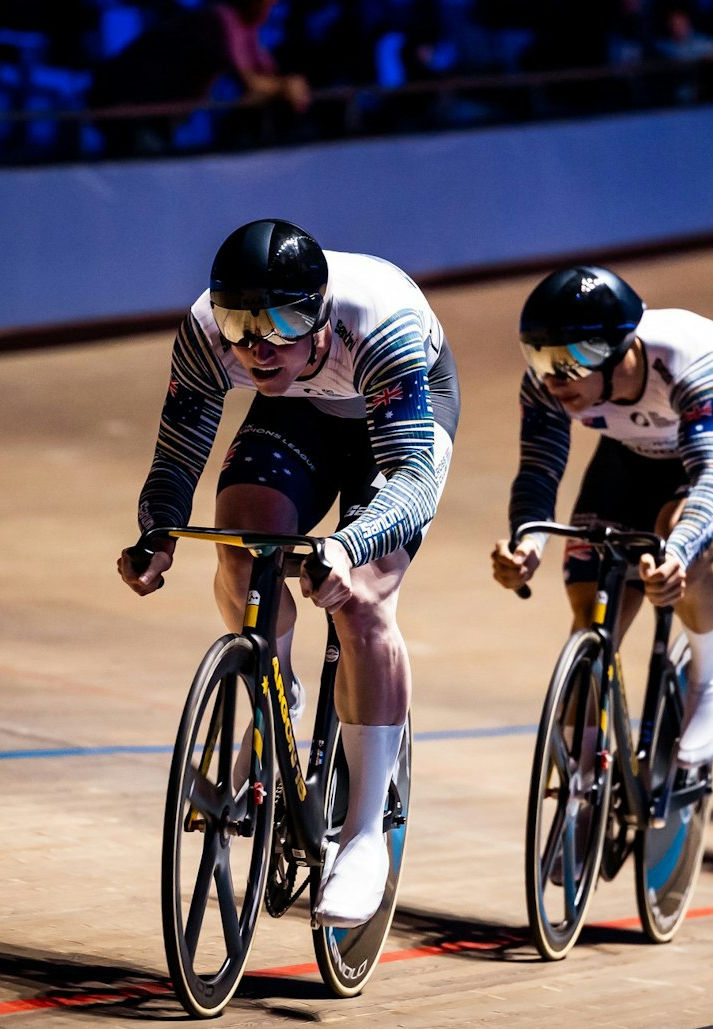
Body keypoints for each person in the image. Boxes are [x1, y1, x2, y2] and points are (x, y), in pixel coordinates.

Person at [117, 219, 458, 926]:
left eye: (279, 324)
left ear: (323, 315)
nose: (254, 344)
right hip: (297, 419)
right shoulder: (207, 332)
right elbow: (178, 455)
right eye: (240, 323)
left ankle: (364, 837)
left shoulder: (380, 324)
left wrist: (349, 546)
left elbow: (411, 478)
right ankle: (278, 686)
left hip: (389, 427)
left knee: (363, 600)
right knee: (241, 543)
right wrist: (156, 532)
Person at [491, 265, 713, 769]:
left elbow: (710, 476)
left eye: (574, 359)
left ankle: (708, 681)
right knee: (592, 614)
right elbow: (538, 472)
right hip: (628, 461)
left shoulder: (693, 358)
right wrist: (528, 543)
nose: (556, 376)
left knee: (675, 536)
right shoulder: (545, 385)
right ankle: (579, 787)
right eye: (541, 357)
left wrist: (680, 554)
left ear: (622, 349)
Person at [88, 0, 312, 155]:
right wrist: (284, 86)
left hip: (161, 117)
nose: (272, 6)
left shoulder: (246, 26)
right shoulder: (218, 19)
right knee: (156, 183)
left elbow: (266, 73)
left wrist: (283, 84)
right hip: (129, 108)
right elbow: (249, 83)